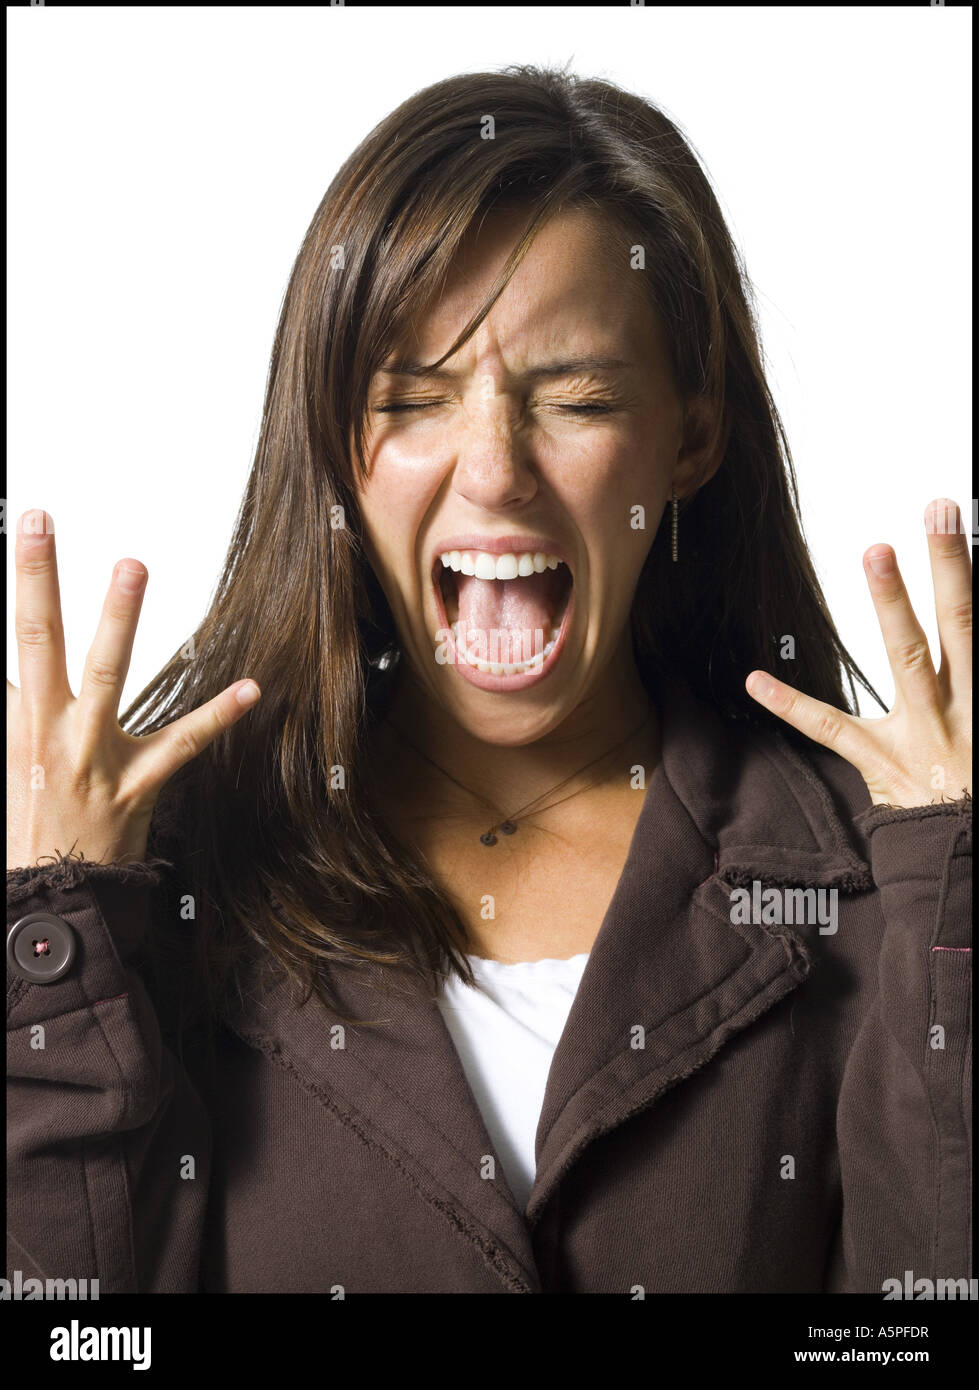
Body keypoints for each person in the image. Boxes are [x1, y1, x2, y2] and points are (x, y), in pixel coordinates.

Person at [7, 65, 971, 1295]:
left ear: (687, 436)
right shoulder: (160, 895)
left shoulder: (875, 888)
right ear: (335, 449)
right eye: (413, 398)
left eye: (575, 397)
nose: (495, 470)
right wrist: (51, 942)